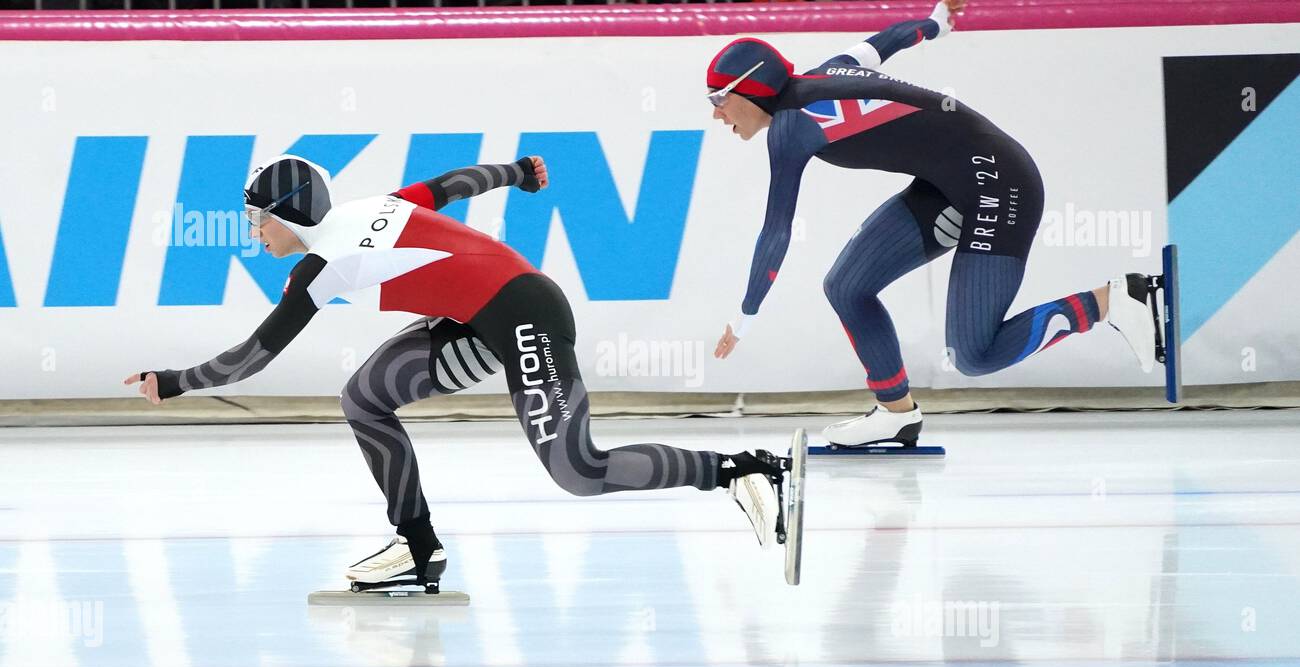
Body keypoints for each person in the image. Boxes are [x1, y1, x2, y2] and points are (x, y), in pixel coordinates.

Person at [125, 154, 792, 590]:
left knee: (579, 470)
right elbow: (449, 186)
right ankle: (418, 547)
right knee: (364, 398)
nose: (255, 233)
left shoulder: (318, 271)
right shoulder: (368, 208)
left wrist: (175, 381)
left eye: (259, 219)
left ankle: (744, 471)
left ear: (290, 215)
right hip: (477, 319)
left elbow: (254, 356)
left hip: (525, 312)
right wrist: (518, 173)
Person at [707, 0, 1159, 447]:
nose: (716, 113)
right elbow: (885, 42)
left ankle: (1112, 301)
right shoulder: (829, 69)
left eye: (719, 98)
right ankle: (896, 413)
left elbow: (776, 231)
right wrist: (937, 21)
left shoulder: (791, 128)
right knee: (846, 286)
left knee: (973, 355)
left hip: (999, 184)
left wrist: (745, 315)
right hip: (949, 185)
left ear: (753, 88)